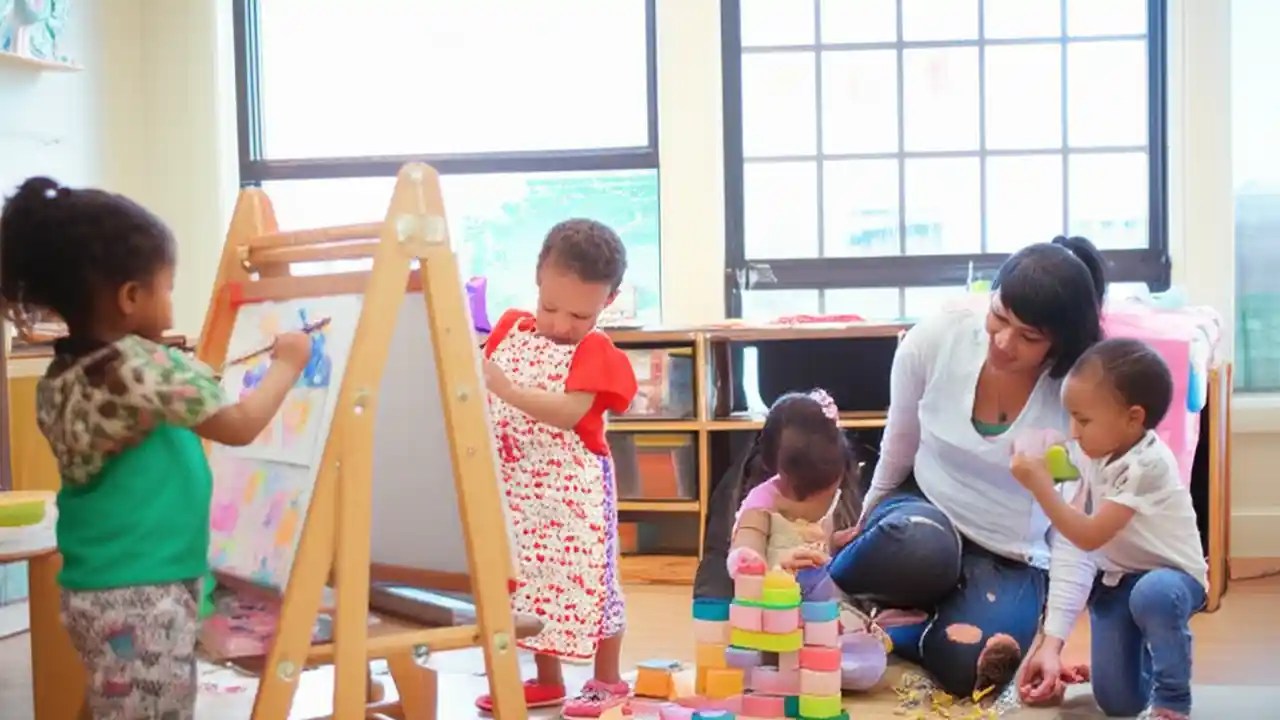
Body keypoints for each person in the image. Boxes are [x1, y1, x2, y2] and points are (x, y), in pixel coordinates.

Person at [0, 177, 310, 719]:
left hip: (93, 589)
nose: (171, 300)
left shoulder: (63, 377)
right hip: (146, 593)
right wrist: (288, 365)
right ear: (130, 297)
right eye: (168, 286)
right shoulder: (144, 367)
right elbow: (240, 425)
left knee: (114, 700)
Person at [825, 236, 1108, 698]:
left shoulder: (1073, 402)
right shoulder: (939, 338)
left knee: (971, 667)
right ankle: (833, 594)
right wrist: (867, 522)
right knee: (921, 549)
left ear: (1059, 345)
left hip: (1007, 556)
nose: (1004, 341)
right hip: (924, 511)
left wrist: (1052, 642)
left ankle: (900, 628)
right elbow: (899, 444)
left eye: (1029, 337)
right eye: (999, 316)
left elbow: (1074, 529)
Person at [476, 219, 639, 717]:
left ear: (608, 302)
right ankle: (547, 680)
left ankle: (607, 679)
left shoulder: (595, 350)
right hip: (517, 487)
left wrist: (505, 389)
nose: (562, 325)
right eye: (550, 307)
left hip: (575, 494)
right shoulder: (509, 330)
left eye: (580, 314)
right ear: (537, 279)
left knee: (592, 582)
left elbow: (569, 412)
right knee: (532, 582)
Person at [1012, 338, 1206, 720]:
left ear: (1133, 418)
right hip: (1118, 581)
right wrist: (1051, 643)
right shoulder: (1090, 452)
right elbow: (1071, 541)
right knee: (1118, 702)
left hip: (1171, 581)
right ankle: (1139, 661)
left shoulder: (1146, 466)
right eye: (1070, 417)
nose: (1073, 431)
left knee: (1153, 595)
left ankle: (1172, 700)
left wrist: (1040, 486)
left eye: (1083, 420)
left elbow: (1088, 536)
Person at [726, 390, 854, 587]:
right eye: (808, 498)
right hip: (774, 596)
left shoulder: (837, 490)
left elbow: (821, 538)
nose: (819, 505)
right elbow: (747, 544)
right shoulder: (762, 503)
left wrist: (837, 542)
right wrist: (758, 564)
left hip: (821, 598)